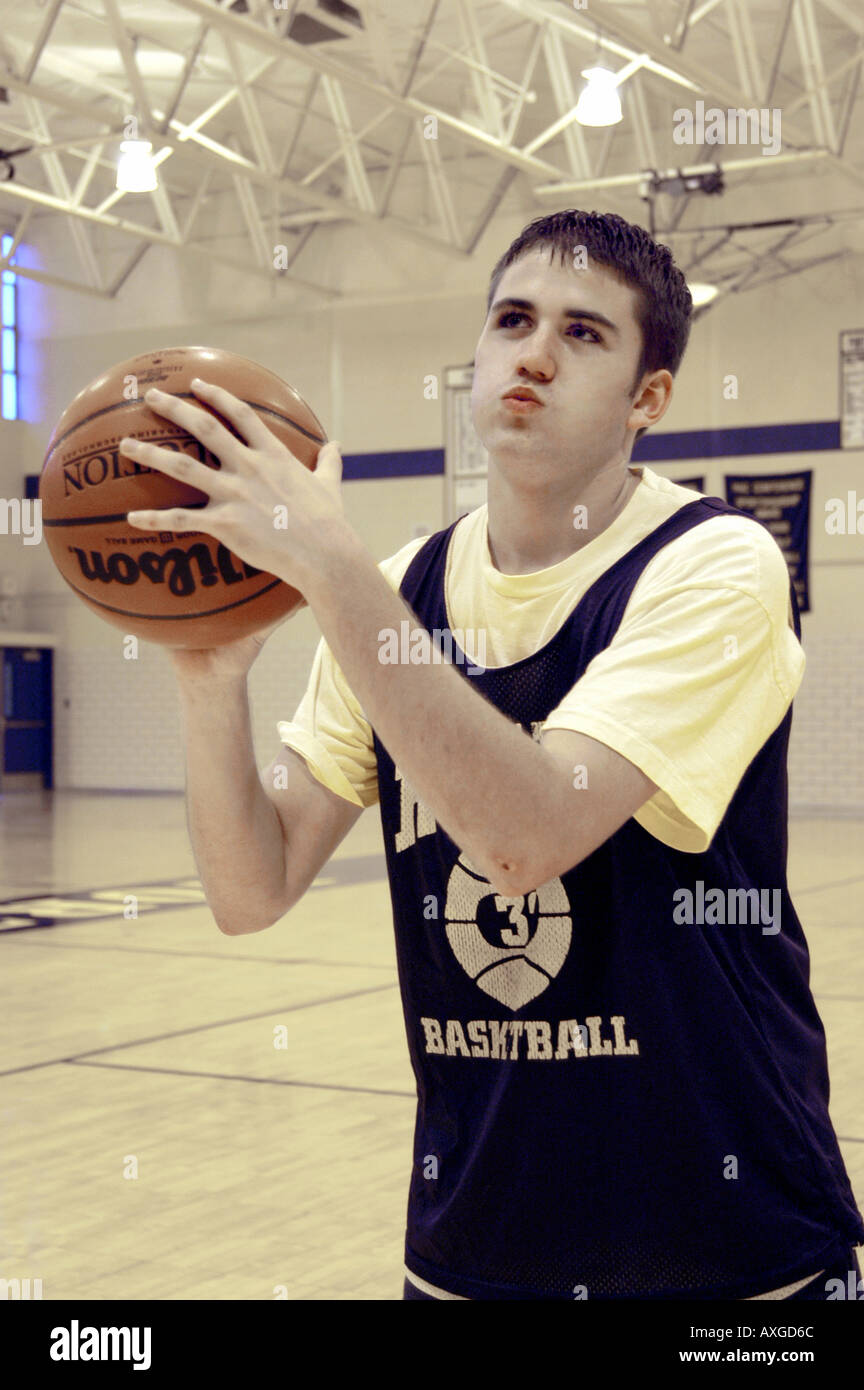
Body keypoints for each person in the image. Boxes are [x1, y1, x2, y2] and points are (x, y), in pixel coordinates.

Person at [124, 209, 864, 1301]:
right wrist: (209, 677)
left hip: (727, 1238)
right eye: (512, 320)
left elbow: (527, 837)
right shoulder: (400, 585)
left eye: (584, 334)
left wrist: (332, 571)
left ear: (647, 399)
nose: (534, 353)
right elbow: (249, 886)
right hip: (480, 1234)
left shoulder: (715, 564)